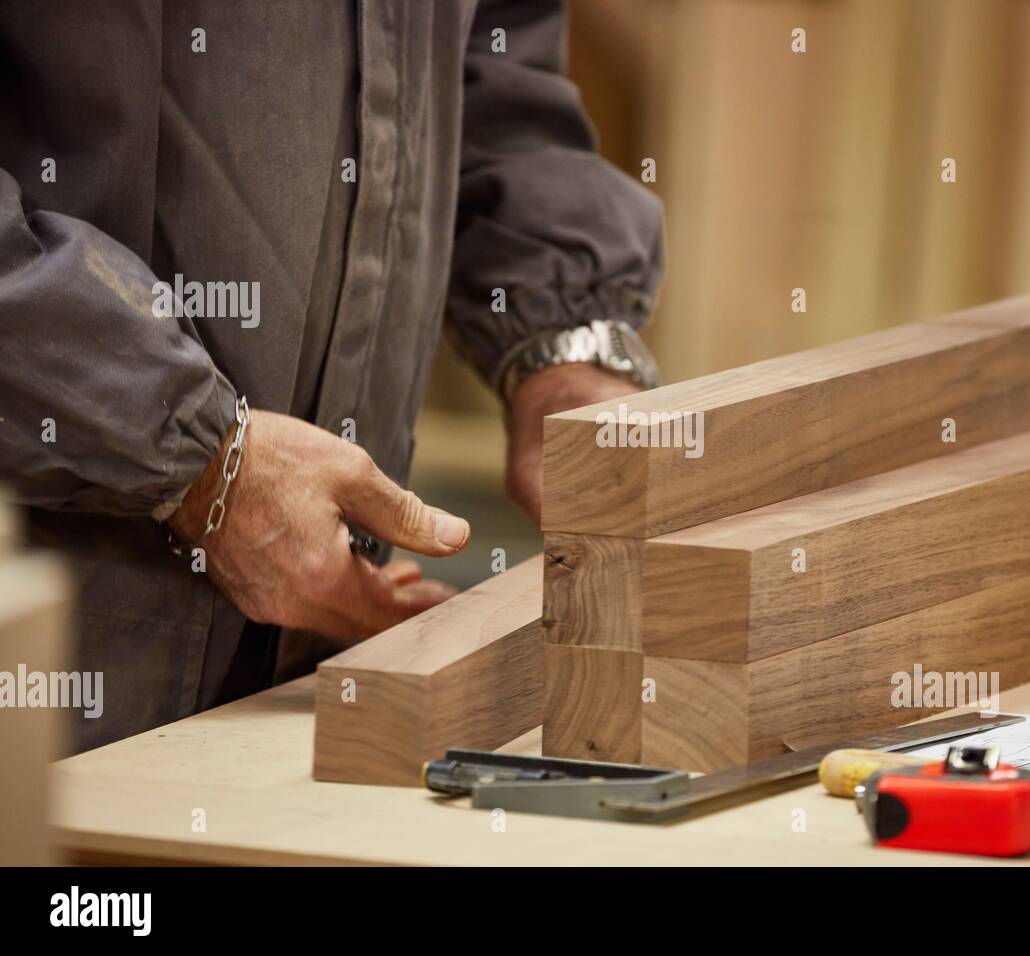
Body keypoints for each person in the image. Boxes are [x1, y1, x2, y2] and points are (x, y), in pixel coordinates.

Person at [0, 0, 664, 751]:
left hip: (313, 679)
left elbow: (494, 76)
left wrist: (562, 348)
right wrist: (195, 450)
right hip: (48, 665)